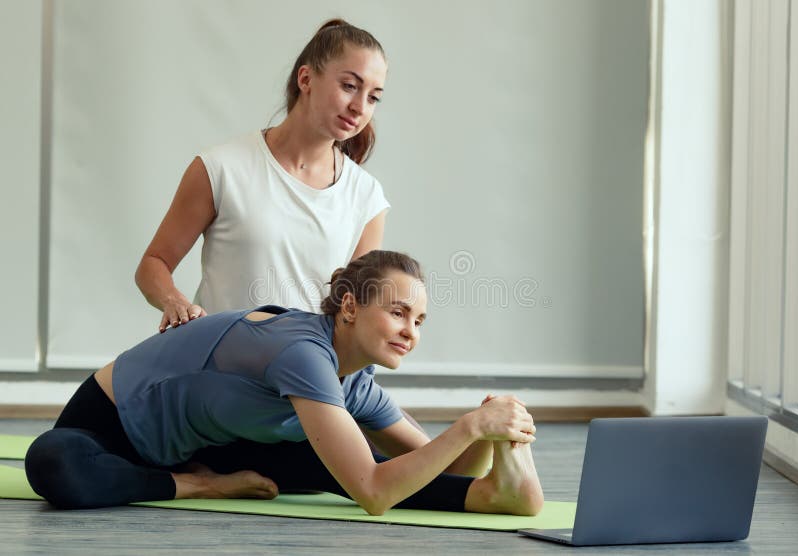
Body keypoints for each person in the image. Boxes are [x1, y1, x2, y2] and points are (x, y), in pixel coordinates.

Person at [25, 251, 544, 516]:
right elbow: (373, 495)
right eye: (398, 313)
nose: (410, 331)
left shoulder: (354, 380)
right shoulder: (302, 352)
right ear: (349, 306)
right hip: (114, 423)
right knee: (53, 465)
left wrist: (483, 439)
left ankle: (491, 496)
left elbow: (428, 469)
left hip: (214, 442)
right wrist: (470, 424)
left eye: (420, 321)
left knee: (373, 465)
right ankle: (199, 486)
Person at [135, 19, 393, 333]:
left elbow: (354, 314)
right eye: (349, 86)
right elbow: (153, 263)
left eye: (373, 97)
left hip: (303, 375)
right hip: (221, 368)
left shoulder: (366, 197)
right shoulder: (221, 168)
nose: (359, 107)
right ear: (306, 78)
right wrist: (173, 300)